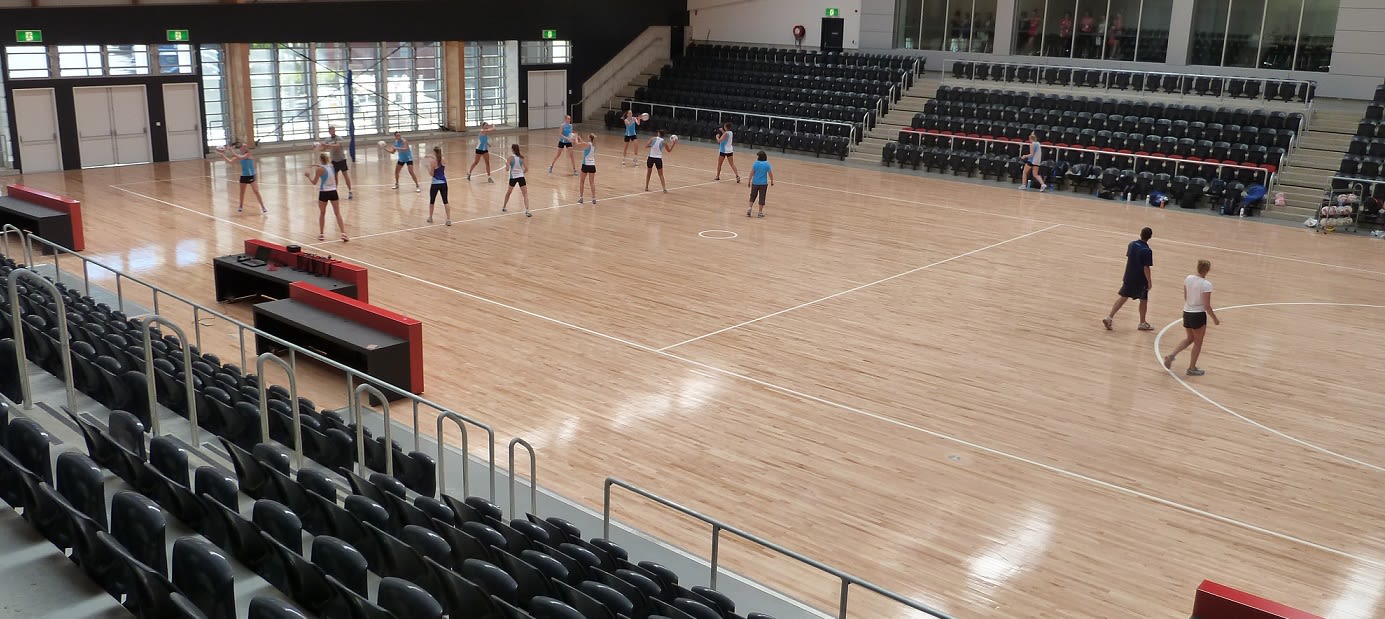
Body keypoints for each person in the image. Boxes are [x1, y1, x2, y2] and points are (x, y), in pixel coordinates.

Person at [1164, 260, 1220, 376]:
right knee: (1198, 342)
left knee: (1189, 338)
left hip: (1187, 312)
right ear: (1207, 270)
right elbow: (1207, 305)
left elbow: (1186, 296)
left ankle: (1172, 355)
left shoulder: (1188, 278)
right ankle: (1192, 368)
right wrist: (1215, 318)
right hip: (1198, 315)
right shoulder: (1206, 284)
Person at [1102, 227, 1153, 331]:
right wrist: (1149, 281)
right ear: (1150, 237)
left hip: (1128, 276)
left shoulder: (1132, 244)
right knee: (1143, 300)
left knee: (1123, 297)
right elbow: (1146, 268)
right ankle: (1142, 322)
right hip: (1140, 280)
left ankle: (1109, 317)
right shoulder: (1147, 250)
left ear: (1140, 234)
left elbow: (1130, 257)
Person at [305, 152, 348, 242]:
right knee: (338, 213)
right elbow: (326, 166)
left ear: (320, 159)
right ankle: (343, 234)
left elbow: (314, 182)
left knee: (322, 213)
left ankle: (321, 234)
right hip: (333, 191)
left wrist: (308, 176)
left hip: (323, 192)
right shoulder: (332, 166)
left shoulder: (319, 170)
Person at [219, 142, 267, 214]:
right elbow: (230, 161)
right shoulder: (238, 156)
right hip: (244, 176)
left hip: (251, 175)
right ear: (241, 148)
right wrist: (223, 155)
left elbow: (241, 157)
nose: (245, 148)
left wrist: (232, 151)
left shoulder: (248, 155)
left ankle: (263, 207)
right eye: (243, 147)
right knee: (242, 192)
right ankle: (240, 206)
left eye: (246, 147)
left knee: (256, 191)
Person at [317, 126, 354, 199]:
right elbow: (323, 149)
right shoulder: (327, 139)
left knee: (345, 176)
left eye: (333, 130)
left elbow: (337, 146)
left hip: (341, 159)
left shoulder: (339, 138)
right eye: (331, 130)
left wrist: (326, 145)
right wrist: (318, 147)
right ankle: (334, 191)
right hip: (334, 161)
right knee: (335, 177)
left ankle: (350, 191)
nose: (333, 131)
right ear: (329, 131)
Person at [501, 143, 531, 217]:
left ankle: (504, 207)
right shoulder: (522, 158)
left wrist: (507, 164)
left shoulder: (510, 158)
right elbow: (526, 169)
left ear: (512, 149)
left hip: (513, 178)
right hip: (521, 177)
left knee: (508, 193)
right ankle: (527, 210)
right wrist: (521, 173)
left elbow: (507, 170)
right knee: (525, 194)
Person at [425, 146, 450, 226]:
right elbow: (439, 160)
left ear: (434, 152)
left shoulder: (433, 162)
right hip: (443, 183)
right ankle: (448, 219)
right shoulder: (443, 159)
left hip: (435, 184)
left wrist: (428, 167)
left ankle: (430, 217)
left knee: (432, 201)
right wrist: (430, 156)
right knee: (445, 201)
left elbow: (432, 174)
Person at [747, 150, 774, 218]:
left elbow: (752, 173)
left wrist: (749, 181)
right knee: (762, 197)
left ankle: (749, 208)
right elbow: (770, 173)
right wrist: (772, 181)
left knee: (752, 196)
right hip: (763, 184)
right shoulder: (767, 164)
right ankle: (760, 212)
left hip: (755, 182)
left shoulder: (755, 163)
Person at [575, 132, 598, 205]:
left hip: (585, 164)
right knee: (592, 183)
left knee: (582, 181)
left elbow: (578, 143)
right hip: (592, 165)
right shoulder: (594, 146)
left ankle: (581, 198)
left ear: (590, 138)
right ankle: (594, 198)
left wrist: (576, 137)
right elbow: (582, 142)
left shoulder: (588, 144)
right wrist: (580, 139)